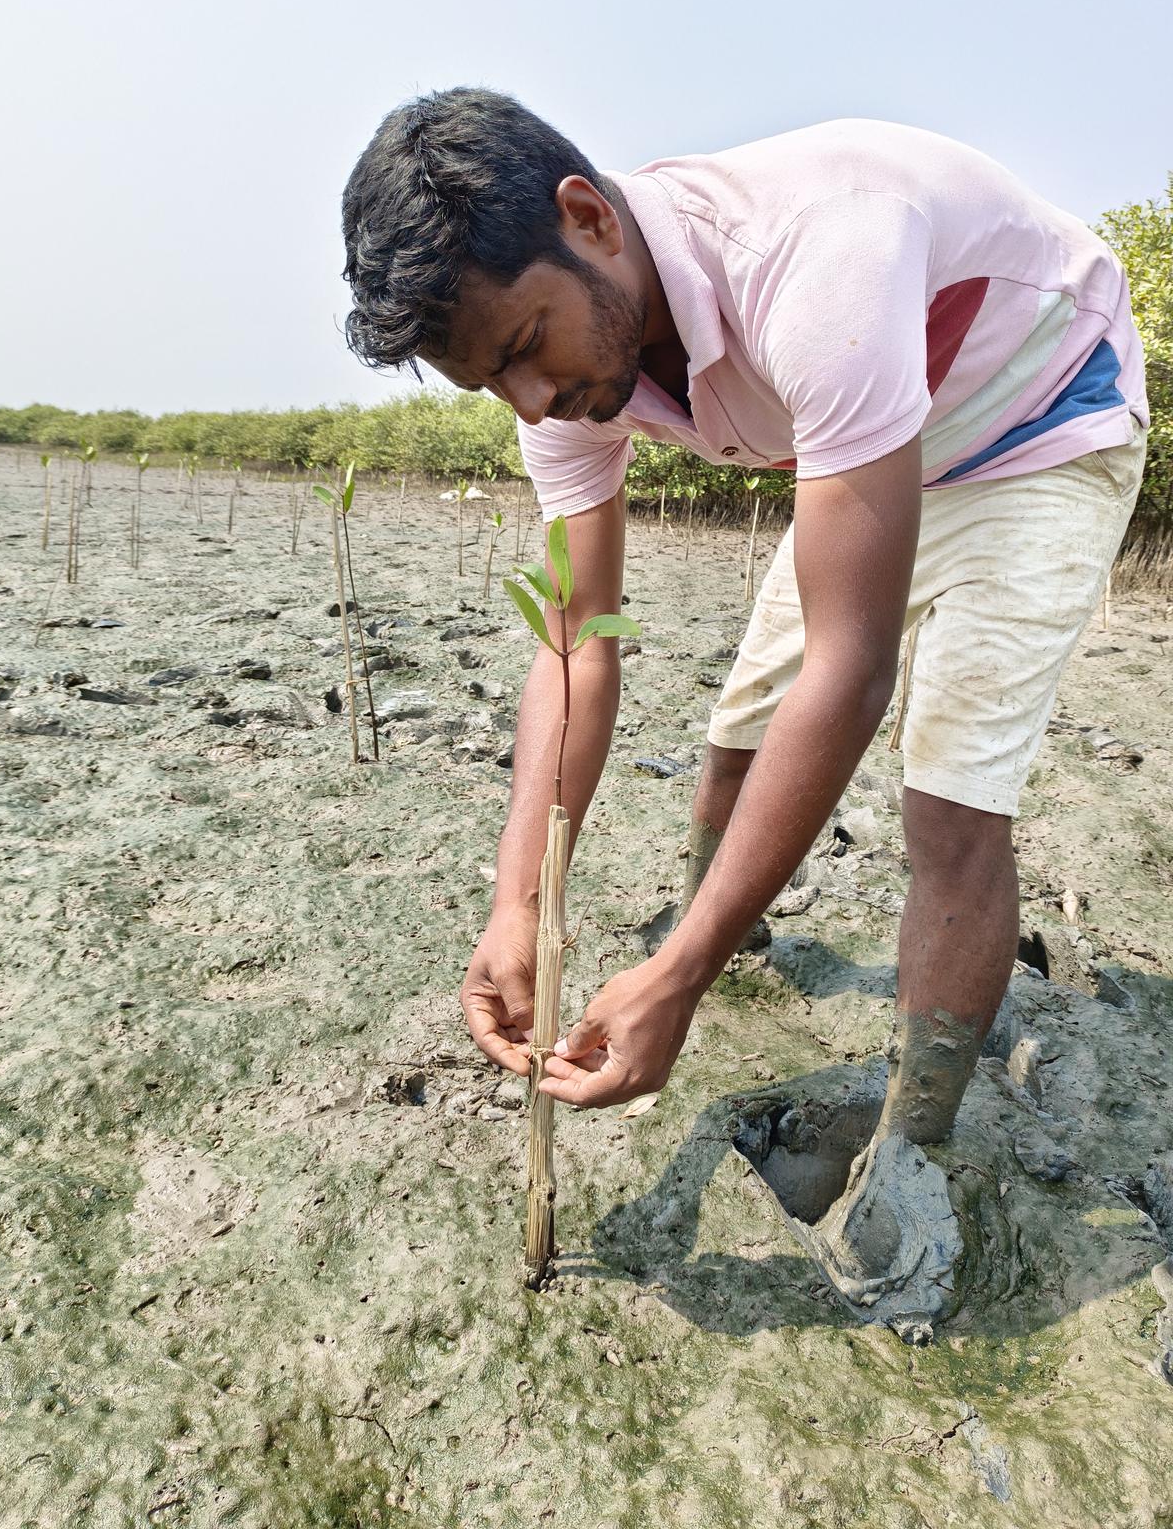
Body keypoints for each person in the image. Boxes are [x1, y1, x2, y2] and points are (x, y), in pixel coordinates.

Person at [340, 87, 1147, 1149]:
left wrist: (675, 976)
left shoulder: (814, 256)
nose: (532, 403)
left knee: (949, 803)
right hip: (871, 442)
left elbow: (851, 671)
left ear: (590, 216)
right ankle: (724, 933)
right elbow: (576, 643)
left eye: (530, 344)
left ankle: (914, 1144)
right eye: (491, 381)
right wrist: (518, 900)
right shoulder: (560, 381)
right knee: (736, 738)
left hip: (1034, 420)